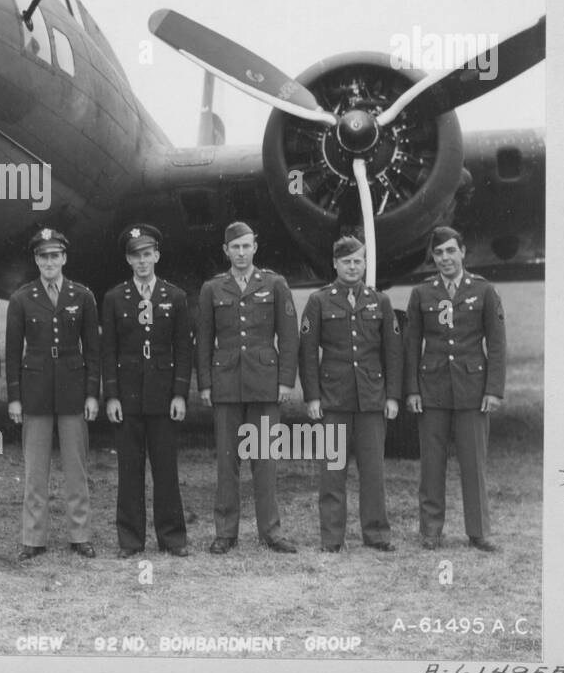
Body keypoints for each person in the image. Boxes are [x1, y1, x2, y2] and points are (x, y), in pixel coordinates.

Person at [197, 221, 300, 554]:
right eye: (234, 247)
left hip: (264, 382)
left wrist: (285, 381)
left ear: (255, 247)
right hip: (226, 382)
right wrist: (206, 384)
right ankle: (225, 532)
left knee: (265, 459)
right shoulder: (212, 289)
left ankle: (270, 531)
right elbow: (203, 341)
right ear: (225, 251)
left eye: (246, 246)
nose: (241, 253)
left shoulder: (275, 284)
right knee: (227, 461)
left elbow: (288, 336)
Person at [404, 226, 506, 552]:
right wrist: (412, 390)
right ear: (432, 257)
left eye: (450, 251)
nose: (445, 258)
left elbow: (498, 344)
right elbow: (411, 346)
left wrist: (493, 389)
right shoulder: (422, 293)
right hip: (432, 387)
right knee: (431, 464)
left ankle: (478, 531)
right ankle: (431, 530)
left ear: (463, 251)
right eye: (438, 253)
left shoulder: (484, 291)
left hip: (472, 389)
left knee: (473, 463)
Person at [298, 237, 402, 553]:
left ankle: (377, 534)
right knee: (332, 472)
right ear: (335, 264)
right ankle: (331, 537)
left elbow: (393, 352)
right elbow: (307, 353)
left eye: (358, 261)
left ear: (365, 263)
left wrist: (392, 396)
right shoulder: (319, 301)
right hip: (334, 398)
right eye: (346, 261)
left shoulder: (379, 301)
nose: (353, 267)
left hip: (371, 397)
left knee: (373, 472)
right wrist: (313, 397)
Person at [5, 228, 101, 561]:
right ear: (36, 259)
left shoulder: (82, 296)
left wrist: (92, 394)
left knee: (77, 468)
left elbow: (93, 350)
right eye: (43, 256)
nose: (49, 262)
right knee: (35, 470)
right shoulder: (22, 298)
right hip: (36, 391)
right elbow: (13, 351)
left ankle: (80, 534)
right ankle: (33, 538)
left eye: (55, 255)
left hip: (73, 390)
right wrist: (14, 398)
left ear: (64, 258)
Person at [100, 224, 192, 558]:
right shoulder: (114, 298)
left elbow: (183, 349)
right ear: (128, 259)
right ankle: (130, 539)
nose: (142, 261)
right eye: (135, 255)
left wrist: (180, 394)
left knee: (166, 470)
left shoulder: (175, 296)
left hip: (164, 397)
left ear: (157, 255)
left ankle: (172, 537)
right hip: (127, 397)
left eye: (147, 254)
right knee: (129, 471)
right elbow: (107, 351)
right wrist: (111, 396)